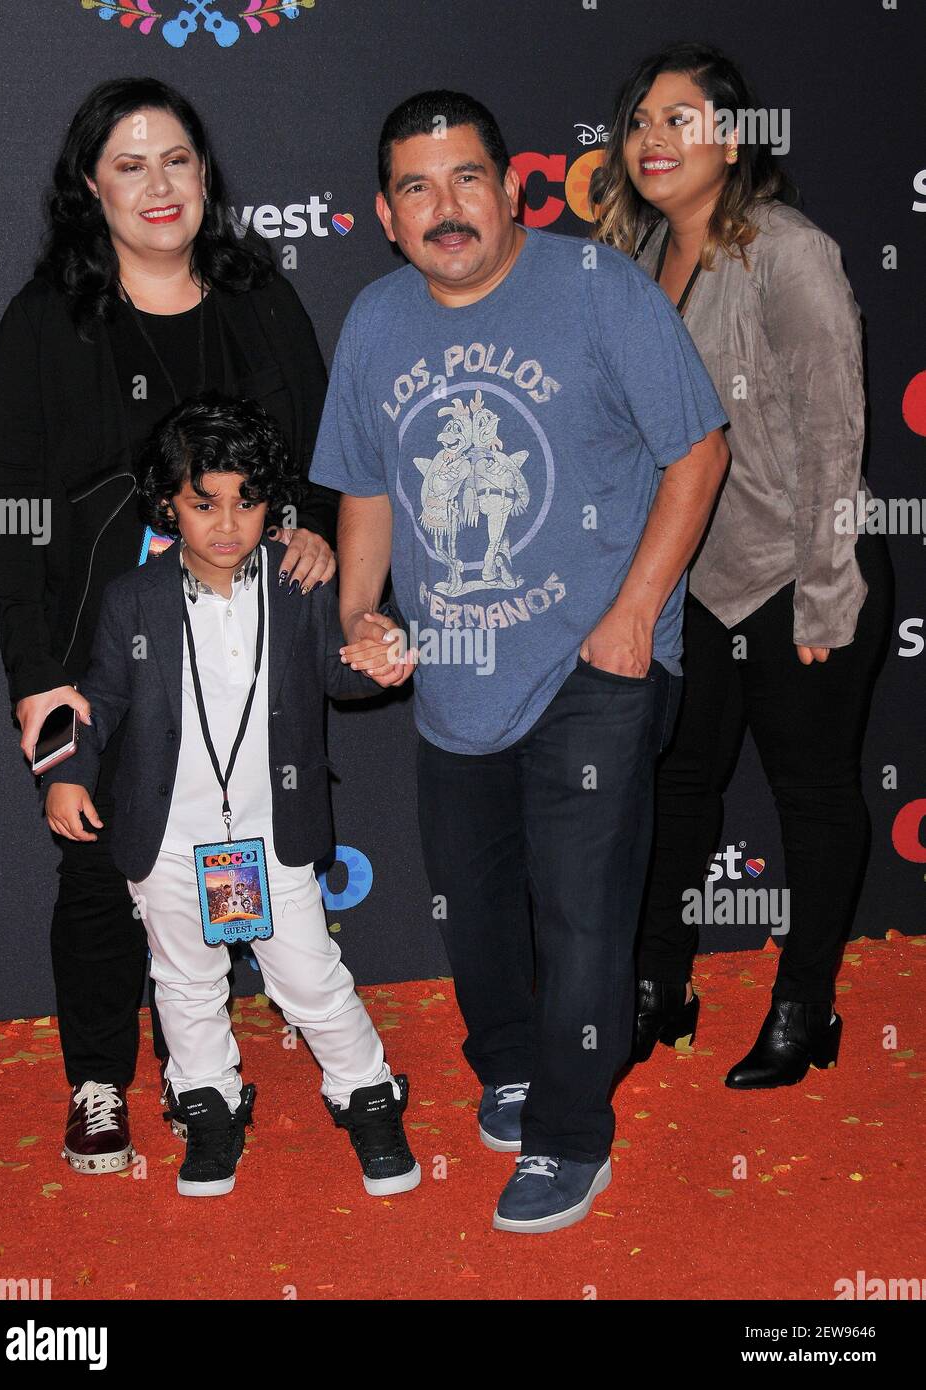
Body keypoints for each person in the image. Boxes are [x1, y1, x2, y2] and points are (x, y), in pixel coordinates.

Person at [314, 90, 729, 1233]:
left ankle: (569, 1137)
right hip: (454, 665)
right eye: (416, 187)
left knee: (586, 907)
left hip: (598, 656)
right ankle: (509, 1061)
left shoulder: (597, 290)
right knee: (478, 903)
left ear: (510, 190)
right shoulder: (374, 323)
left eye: (464, 180)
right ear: (386, 216)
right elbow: (362, 486)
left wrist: (637, 610)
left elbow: (697, 453)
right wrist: (360, 609)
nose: (445, 208)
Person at [0, 78, 338, 1174]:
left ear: (204, 171)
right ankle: (97, 1082)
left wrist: (315, 531)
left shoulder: (259, 304)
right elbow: (12, 522)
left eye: (175, 159)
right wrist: (40, 683)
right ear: (91, 185)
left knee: (242, 848)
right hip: (100, 654)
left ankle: (204, 1071)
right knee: (101, 870)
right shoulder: (48, 319)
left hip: (244, 653)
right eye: (129, 165)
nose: (158, 185)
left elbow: (323, 461)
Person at [591, 43, 893, 1086]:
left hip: (793, 573)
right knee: (675, 788)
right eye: (638, 122)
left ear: (735, 137)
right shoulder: (635, 262)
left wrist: (824, 598)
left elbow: (834, 432)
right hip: (686, 581)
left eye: (679, 119)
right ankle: (656, 989)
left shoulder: (787, 249)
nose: (652, 141)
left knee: (811, 792)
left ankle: (803, 1005)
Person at [41, 393, 420, 1199]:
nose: (226, 522)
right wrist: (68, 774)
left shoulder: (300, 586)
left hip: (272, 835)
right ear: (166, 504)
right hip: (168, 839)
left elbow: (335, 676)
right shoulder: (130, 598)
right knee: (183, 982)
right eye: (203, 502)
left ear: (271, 503)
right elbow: (98, 701)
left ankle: (367, 1095)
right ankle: (208, 1106)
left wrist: (377, 654)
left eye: (247, 501)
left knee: (313, 978)